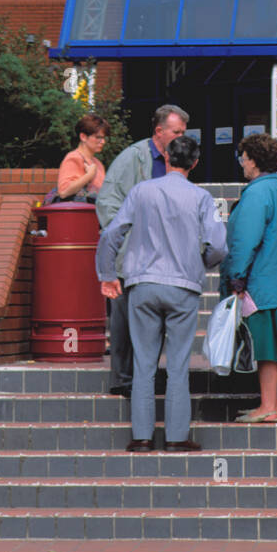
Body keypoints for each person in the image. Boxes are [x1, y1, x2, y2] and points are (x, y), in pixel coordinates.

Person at [95, 135, 227, 452]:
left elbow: (113, 232)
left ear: (166, 158)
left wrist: (107, 274)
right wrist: (201, 262)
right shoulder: (203, 197)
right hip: (183, 285)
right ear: (194, 163)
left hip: (142, 283)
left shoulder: (142, 191)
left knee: (143, 363)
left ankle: (141, 437)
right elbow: (219, 246)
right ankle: (176, 437)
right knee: (179, 364)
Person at [95, 103, 189, 397]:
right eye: (177, 132)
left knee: (151, 322)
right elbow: (107, 203)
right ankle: (123, 380)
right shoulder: (131, 159)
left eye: (184, 132)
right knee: (123, 322)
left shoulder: (176, 160)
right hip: (132, 257)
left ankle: (142, 377)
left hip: (162, 259)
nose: (181, 137)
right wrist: (130, 235)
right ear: (159, 131)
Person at [219, 134, 277, 422]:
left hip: (258, 284)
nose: (242, 163)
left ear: (253, 160)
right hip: (276, 280)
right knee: (271, 349)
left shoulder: (255, 194)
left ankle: (268, 407)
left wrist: (236, 279)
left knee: (265, 347)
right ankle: (270, 405)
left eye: (243, 157)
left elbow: (245, 241)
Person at [44, 114, 110, 204]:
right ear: (83, 137)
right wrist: (89, 176)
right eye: (98, 137)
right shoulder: (73, 158)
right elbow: (64, 192)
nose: (103, 142)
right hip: (78, 216)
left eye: (104, 138)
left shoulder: (98, 164)